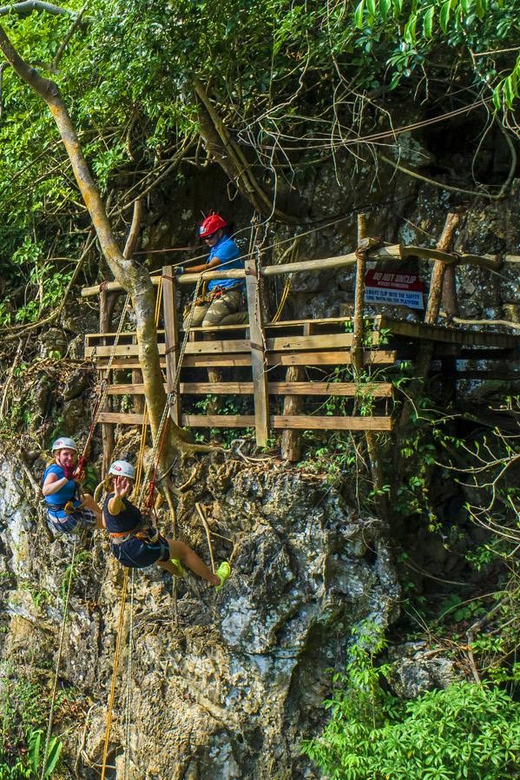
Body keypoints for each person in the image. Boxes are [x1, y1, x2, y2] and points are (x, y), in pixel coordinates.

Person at [102, 459, 231, 587]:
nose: (129, 485)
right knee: (184, 551)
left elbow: (107, 521)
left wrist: (138, 517)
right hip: (137, 549)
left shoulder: (107, 499)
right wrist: (117, 497)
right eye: (126, 481)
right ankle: (216, 581)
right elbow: (113, 509)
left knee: (159, 554)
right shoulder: (114, 501)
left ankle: (178, 571)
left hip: (121, 552)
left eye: (129, 481)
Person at [179, 213, 247, 330]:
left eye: (209, 236)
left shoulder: (228, 246)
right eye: (204, 238)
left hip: (230, 292)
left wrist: (183, 270)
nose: (206, 240)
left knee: (209, 324)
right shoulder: (215, 248)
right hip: (213, 293)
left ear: (219, 233)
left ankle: (246, 317)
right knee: (187, 325)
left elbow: (210, 266)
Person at [42, 437, 103, 533]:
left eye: (72, 455)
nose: (70, 458)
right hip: (65, 520)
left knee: (88, 498)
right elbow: (45, 491)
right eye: (66, 454)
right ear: (57, 455)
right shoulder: (54, 471)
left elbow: (69, 487)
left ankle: (108, 525)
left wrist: (75, 480)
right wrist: (66, 479)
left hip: (62, 513)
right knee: (107, 522)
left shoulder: (64, 468)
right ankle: (113, 527)